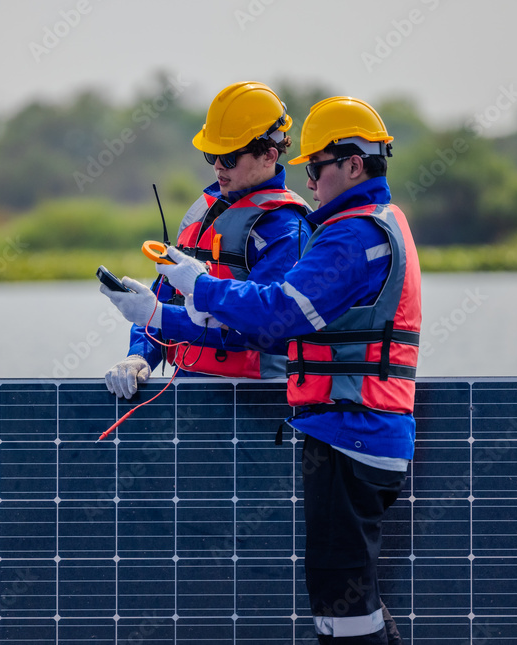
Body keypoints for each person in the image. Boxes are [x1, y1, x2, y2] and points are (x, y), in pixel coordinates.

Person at [156, 96, 421, 645]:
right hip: (359, 432)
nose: (311, 181)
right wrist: (157, 323)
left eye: (316, 167)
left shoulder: (355, 236)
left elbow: (279, 314)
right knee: (356, 600)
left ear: (353, 164)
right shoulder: (376, 223)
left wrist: (196, 288)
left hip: (350, 434)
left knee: (340, 608)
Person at [100, 81, 311, 398]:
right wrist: (140, 354)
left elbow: (263, 328)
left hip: (258, 401)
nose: (216, 166)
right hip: (188, 393)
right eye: (211, 154)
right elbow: (163, 298)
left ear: (269, 155)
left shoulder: (286, 229)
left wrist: (157, 315)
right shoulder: (200, 213)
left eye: (228, 158)